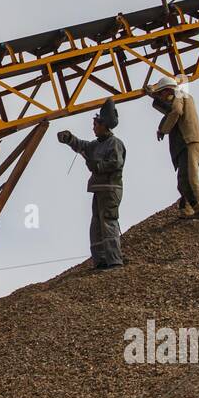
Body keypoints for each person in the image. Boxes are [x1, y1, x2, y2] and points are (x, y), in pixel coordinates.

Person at [57, 97, 125, 270]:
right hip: (99, 189)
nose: (93, 128)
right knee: (96, 224)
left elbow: (116, 163)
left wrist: (98, 165)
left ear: (103, 125)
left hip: (110, 189)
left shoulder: (115, 143)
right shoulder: (96, 145)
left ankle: (114, 261)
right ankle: (100, 261)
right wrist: (69, 138)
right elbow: (82, 145)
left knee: (108, 222)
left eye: (95, 125)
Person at [143, 76, 199, 219]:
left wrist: (163, 130)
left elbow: (175, 111)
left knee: (190, 179)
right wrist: (153, 95)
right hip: (191, 143)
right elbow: (169, 107)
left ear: (168, 90)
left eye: (162, 93)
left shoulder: (180, 94)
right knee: (183, 180)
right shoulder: (183, 96)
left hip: (188, 143)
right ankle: (188, 210)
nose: (161, 96)